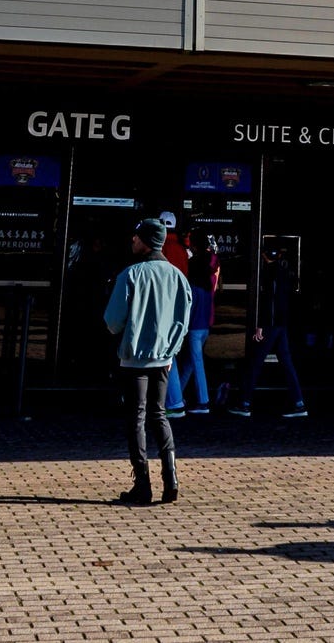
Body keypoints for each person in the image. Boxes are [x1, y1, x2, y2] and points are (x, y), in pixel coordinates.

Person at [103, 212, 192, 506]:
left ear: (146, 242)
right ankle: (172, 479)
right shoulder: (179, 277)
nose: (133, 239)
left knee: (136, 419)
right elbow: (183, 322)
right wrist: (171, 350)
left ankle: (142, 485)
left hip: (134, 359)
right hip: (164, 359)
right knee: (159, 414)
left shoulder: (130, 275)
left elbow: (112, 321)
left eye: (137, 236)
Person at [232, 238, 306, 419]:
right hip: (281, 324)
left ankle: (245, 403)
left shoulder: (268, 273)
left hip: (271, 324)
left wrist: (261, 326)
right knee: (287, 363)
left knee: (255, 362)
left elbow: (270, 302)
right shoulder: (285, 272)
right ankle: (299, 403)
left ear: (264, 255)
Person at [175, 232, 220, 420]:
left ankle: (203, 401)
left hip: (194, 327)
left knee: (195, 363)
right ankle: (179, 395)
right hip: (205, 326)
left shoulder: (192, 286)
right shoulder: (208, 286)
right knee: (190, 363)